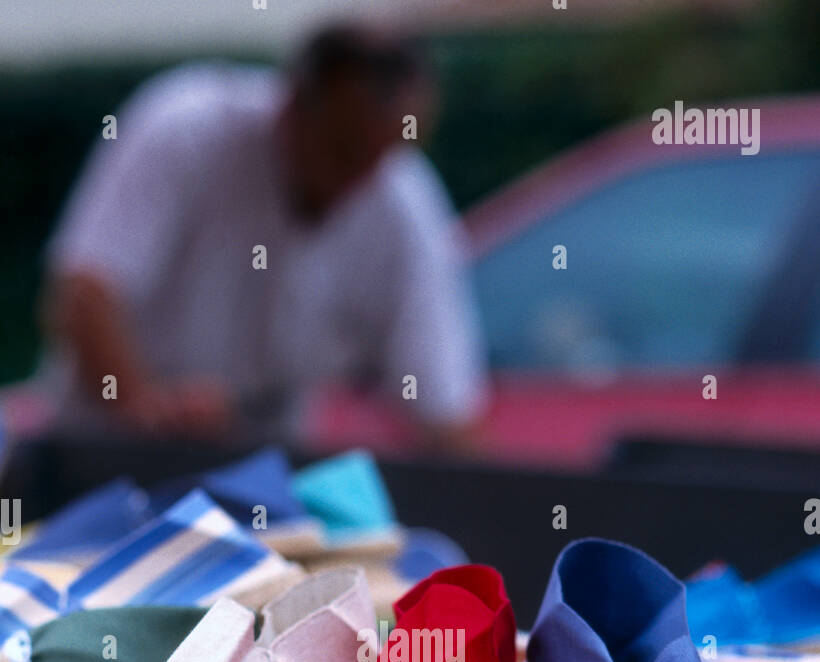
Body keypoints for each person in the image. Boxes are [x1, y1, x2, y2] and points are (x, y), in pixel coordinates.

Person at [39, 24, 488, 451]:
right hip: (103, 460)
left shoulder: (402, 198)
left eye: (383, 156)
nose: (360, 181)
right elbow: (84, 292)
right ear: (294, 104)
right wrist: (146, 408)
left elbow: (443, 407)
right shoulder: (184, 129)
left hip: (262, 484)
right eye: (344, 151)